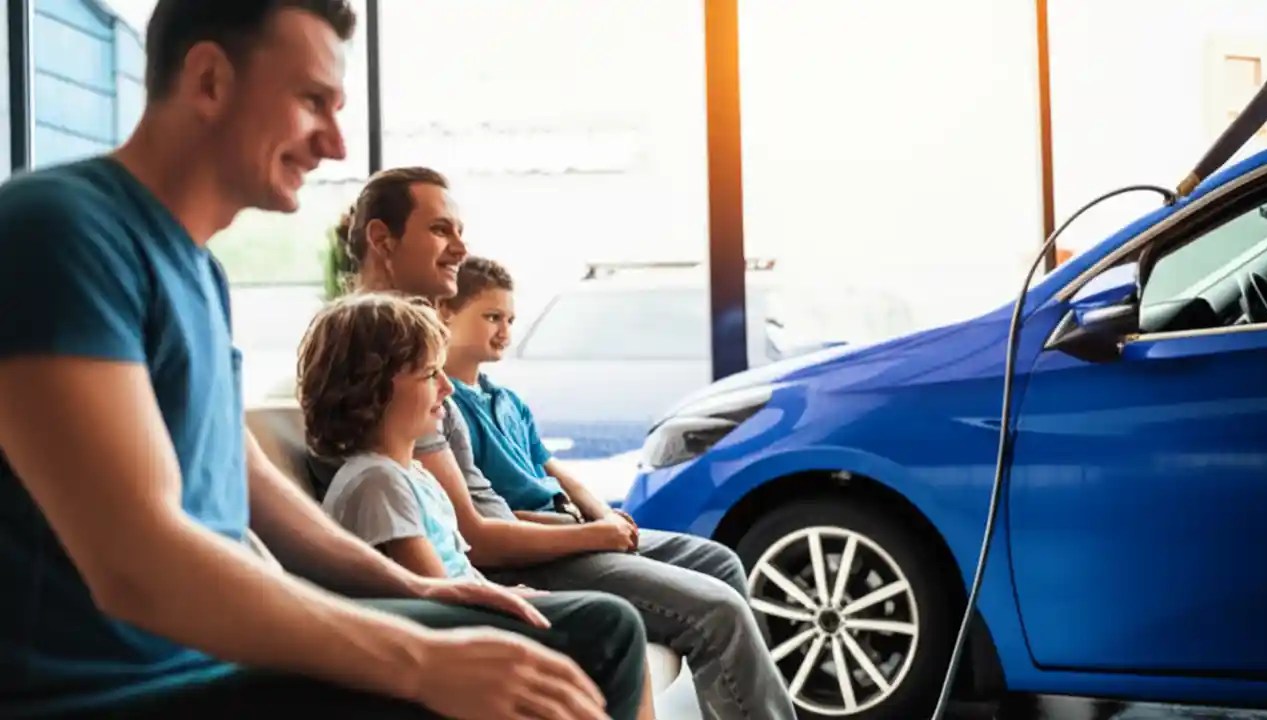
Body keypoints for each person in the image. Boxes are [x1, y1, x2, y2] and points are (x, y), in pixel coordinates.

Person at [0, 3, 646, 719]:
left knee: (595, 631)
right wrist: (420, 659)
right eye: (312, 102)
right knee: (584, 646)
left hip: (212, 658)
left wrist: (414, 589)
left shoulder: (197, 272)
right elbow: (136, 567)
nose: (335, 146)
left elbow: (246, 483)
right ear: (210, 79)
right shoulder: (59, 233)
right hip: (111, 688)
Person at [322, 166, 800, 720]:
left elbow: (480, 503)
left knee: (718, 563)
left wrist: (581, 521)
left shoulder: (419, 366)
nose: (461, 248)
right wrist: (582, 534)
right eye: (440, 229)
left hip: (514, 539)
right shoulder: (384, 368)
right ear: (382, 240)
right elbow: (468, 537)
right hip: (503, 561)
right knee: (714, 611)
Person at [296, 291, 657, 720]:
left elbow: (458, 572)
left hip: (463, 612)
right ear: (372, 389)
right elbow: (435, 597)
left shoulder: (413, 475)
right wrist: (500, 599)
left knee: (615, 631)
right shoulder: (377, 483)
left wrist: (504, 593)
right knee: (614, 624)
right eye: (430, 374)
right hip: (442, 632)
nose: (447, 388)